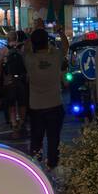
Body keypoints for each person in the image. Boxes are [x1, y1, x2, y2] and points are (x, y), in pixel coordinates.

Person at [24, 27, 65, 168]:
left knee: (36, 140)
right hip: (54, 104)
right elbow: (65, 46)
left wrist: (29, 35)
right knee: (54, 140)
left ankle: (36, 167)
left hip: (36, 106)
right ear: (47, 42)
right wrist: (60, 32)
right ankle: (53, 165)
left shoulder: (29, 60)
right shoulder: (55, 57)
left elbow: (26, 48)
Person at [2, 33, 28, 138]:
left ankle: (13, 123)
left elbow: (0, 67)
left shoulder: (4, 50)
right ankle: (21, 122)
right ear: (17, 38)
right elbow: (27, 64)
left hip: (10, 80)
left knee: (11, 103)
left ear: (8, 39)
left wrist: (1, 80)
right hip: (21, 79)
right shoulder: (22, 48)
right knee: (22, 102)